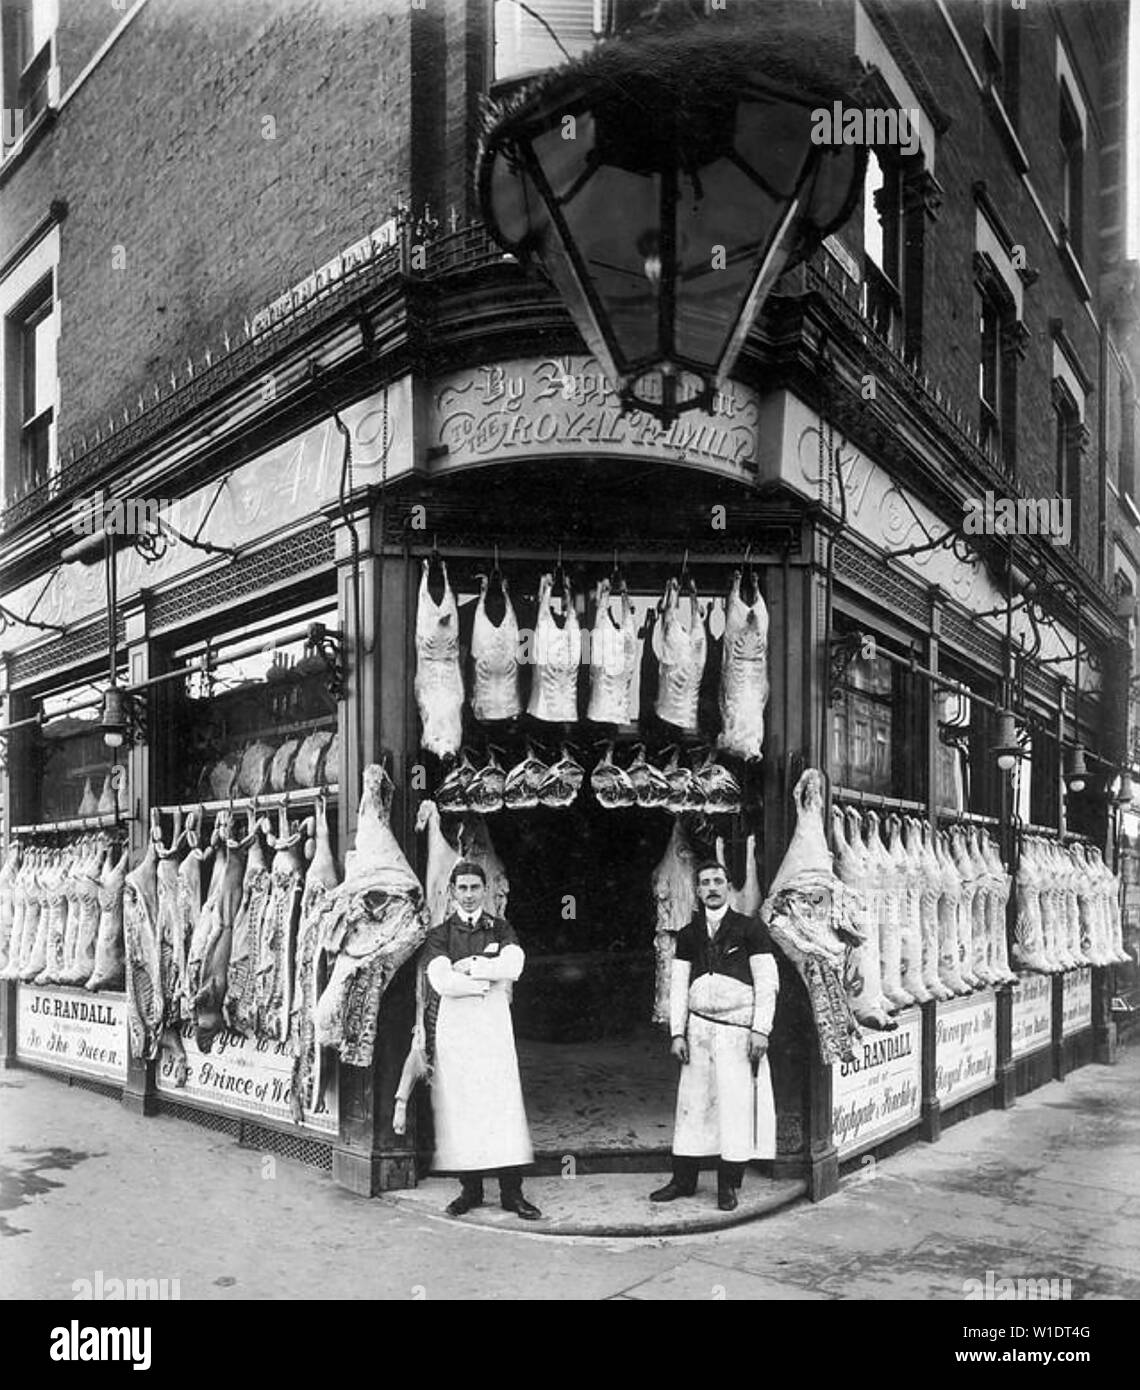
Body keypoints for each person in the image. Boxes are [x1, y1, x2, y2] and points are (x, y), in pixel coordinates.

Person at [650, 858, 779, 1211]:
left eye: (717, 881)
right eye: (704, 883)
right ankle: (684, 1180)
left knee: (733, 1107)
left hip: (737, 1034)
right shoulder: (689, 933)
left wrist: (760, 1030)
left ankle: (728, 1186)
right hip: (700, 1031)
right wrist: (678, 1033)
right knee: (693, 1106)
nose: (711, 888)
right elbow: (678, 985)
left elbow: (767, 983)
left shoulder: (750, 929)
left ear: (728, 886)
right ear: (697, 890)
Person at [421, 860, 541, 1220]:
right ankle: (470, 1190)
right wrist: (488, 977)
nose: (469, 895)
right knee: (464, 1106)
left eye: (475, 888)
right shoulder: (440, 934)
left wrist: (469, 966)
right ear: (453, 891)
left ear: (484, 890)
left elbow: (515, 965)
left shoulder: (500, 927)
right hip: (457, 1030)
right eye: (463, 888)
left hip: (492, 1029)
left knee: (500, 1105)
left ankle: (512, 1193)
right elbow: (441, 981)